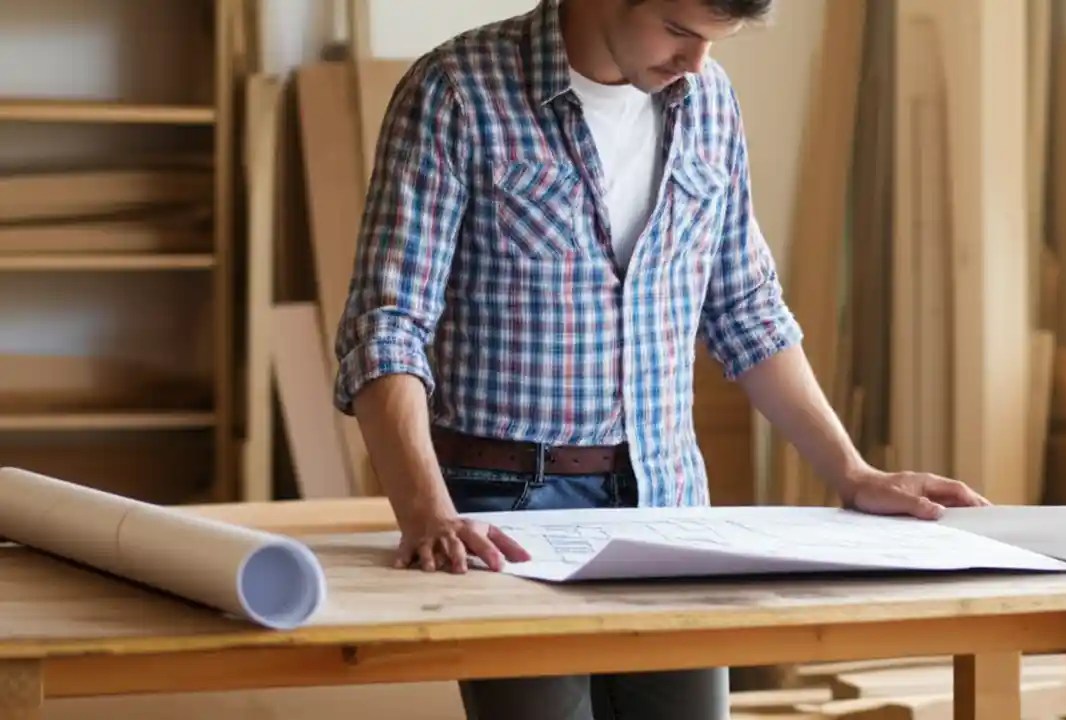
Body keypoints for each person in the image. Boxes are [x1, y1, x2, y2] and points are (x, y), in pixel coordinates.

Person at [333, 0, 990, 717]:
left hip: (670, 502)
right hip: (505, 511)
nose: (696, 63)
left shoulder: (708, 103)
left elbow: (747, 311)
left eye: (715, 40)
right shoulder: (458, 90)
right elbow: (388, 325)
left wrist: (853, 473)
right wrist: (426, 511)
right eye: (679, 31)